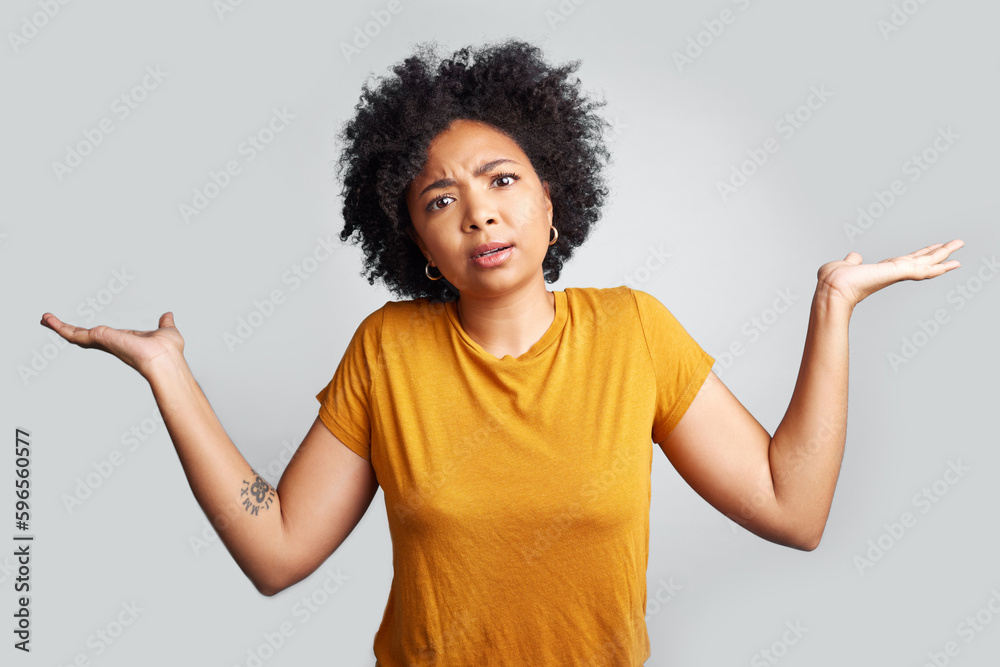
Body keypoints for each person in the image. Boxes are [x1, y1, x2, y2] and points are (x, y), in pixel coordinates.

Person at [40, 39, 964, 666]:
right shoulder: (389, 353)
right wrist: (169, 374)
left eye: (501, 179)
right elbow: (277, 550)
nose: (478, 210)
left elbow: (792, 508)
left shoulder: (634, 331)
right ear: (415, 245)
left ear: (552, 201)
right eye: (439, 199)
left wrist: (832, 307)